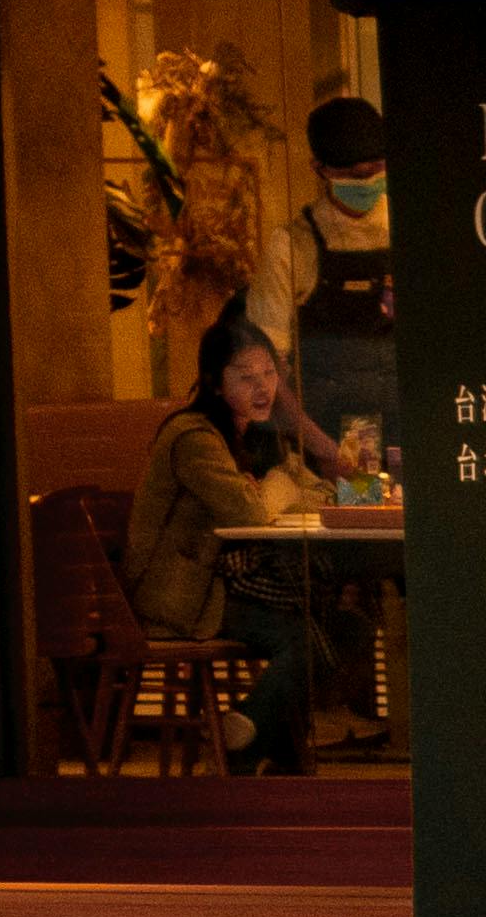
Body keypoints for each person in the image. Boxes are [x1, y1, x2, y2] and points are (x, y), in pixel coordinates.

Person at [122, 314, 354, 768]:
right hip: (180, 596)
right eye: (246, 378)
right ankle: (250, 746)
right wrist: (278, 487)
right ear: (213, 382)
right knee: (305, 636)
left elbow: (314, 492)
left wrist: (280, 485)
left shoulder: (253, 436)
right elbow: (251, 510)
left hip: (224, 583)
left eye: (268, 373)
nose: (262, 388)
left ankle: (259, 743)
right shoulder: (194, 438)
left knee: (343, 626)